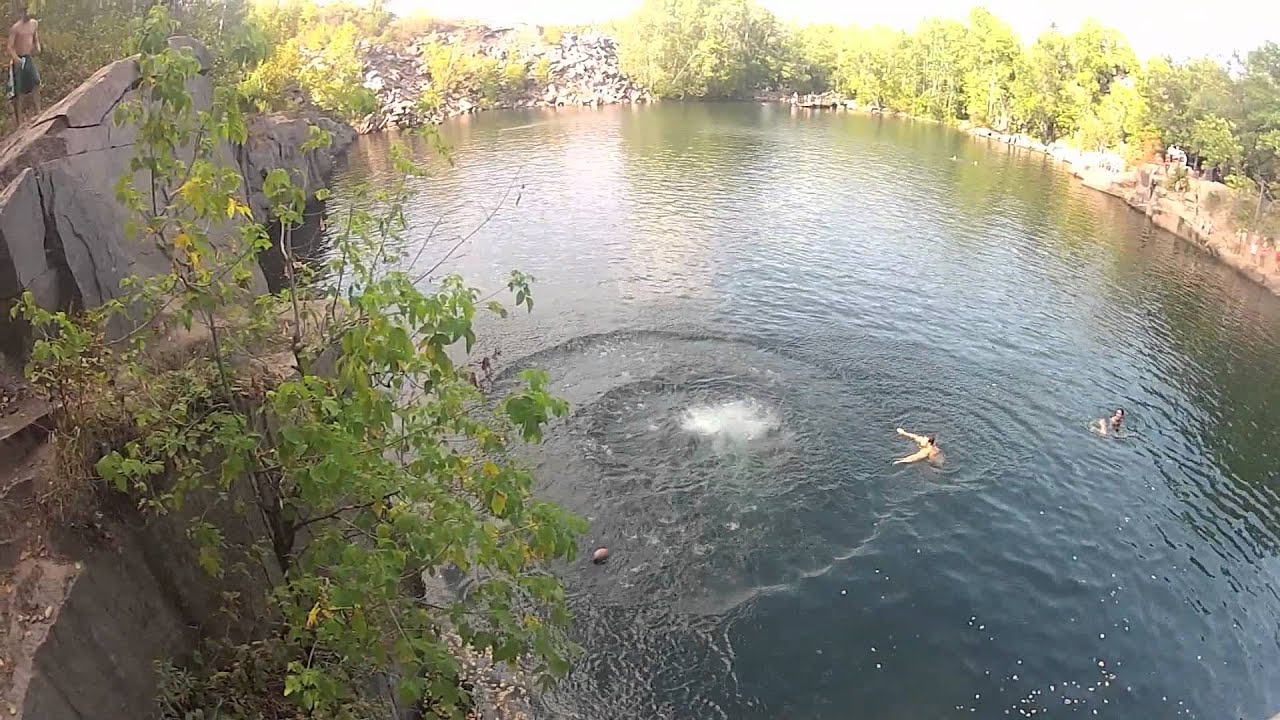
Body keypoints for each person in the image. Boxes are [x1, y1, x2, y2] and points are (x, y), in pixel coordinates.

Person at [7, 5, 40, 127]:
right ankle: (19, 122)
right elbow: (9, 47)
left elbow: (35, 37)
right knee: (18, 91)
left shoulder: (34, 24)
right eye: (25, 12)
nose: (28, 14)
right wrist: (16, 58)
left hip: (28, 57)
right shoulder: (16, 28)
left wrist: (38, 46)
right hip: (18, 59)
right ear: (22, 12)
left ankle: (38, 112)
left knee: (35, 82)